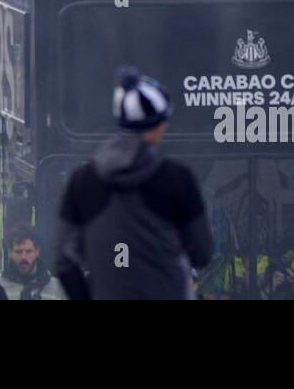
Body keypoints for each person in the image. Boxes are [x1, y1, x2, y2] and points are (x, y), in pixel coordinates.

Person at [55, 69, 213, 299]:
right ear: (156, 126)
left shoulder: (82, 181)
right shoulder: (177, 178)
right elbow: (202, 252)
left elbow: (64, 262)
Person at [0, 225, 65, 299]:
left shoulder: (58, 289)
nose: (23, 257)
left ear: (37, 252)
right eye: (18, 252)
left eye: (28, 251)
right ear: (10, 253)